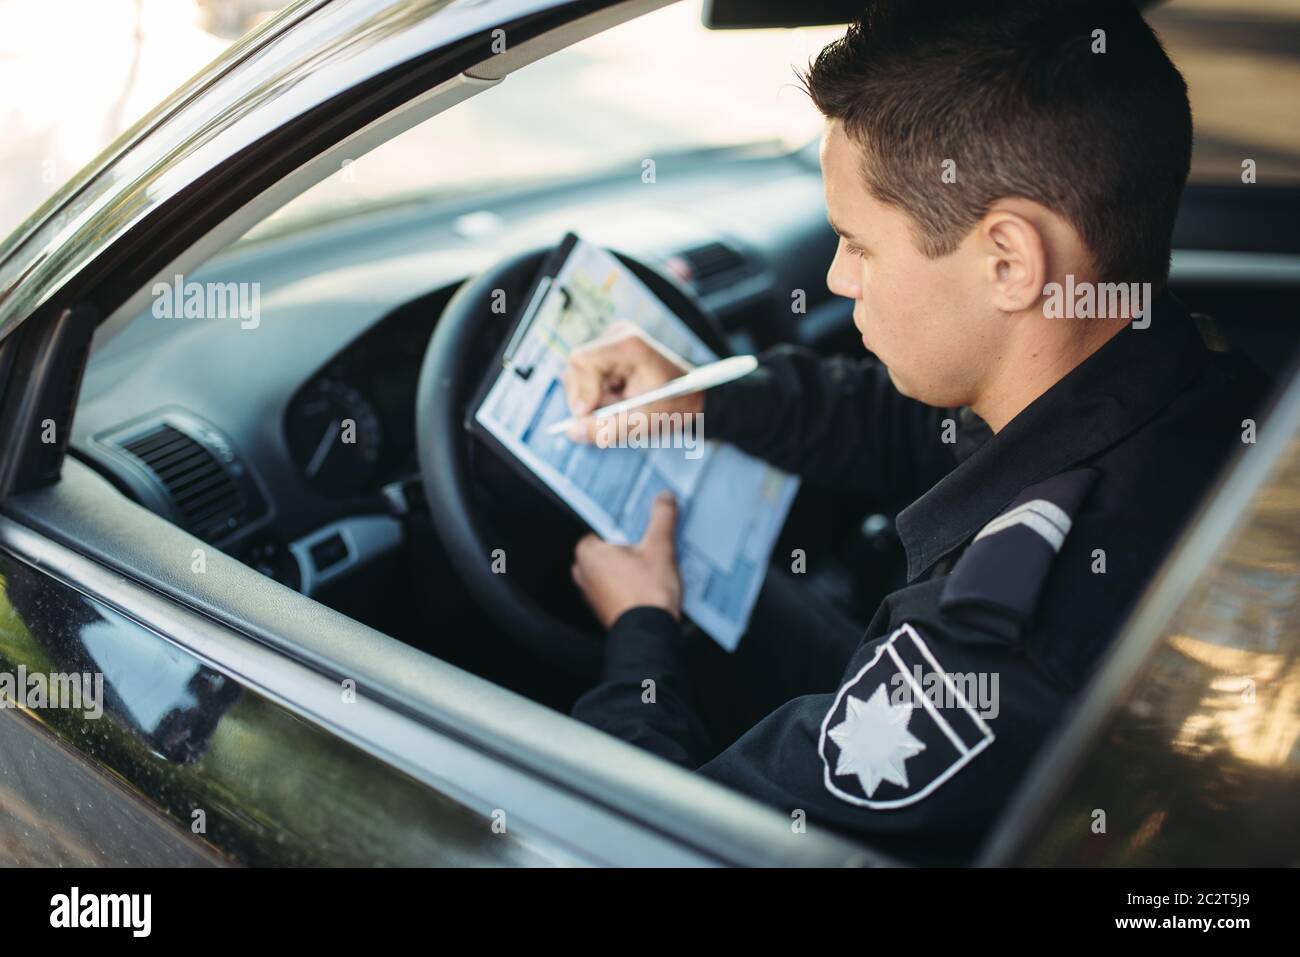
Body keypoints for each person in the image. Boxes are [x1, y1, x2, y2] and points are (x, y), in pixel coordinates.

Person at [560, 0, 1261, 863]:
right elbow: (915, 427)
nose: (836, 276)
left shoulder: (989, 660)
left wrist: (640, 632)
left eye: (857, 243)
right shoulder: (1188, 385)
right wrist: (708, 396)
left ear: (1008, 260)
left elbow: (652, 845)